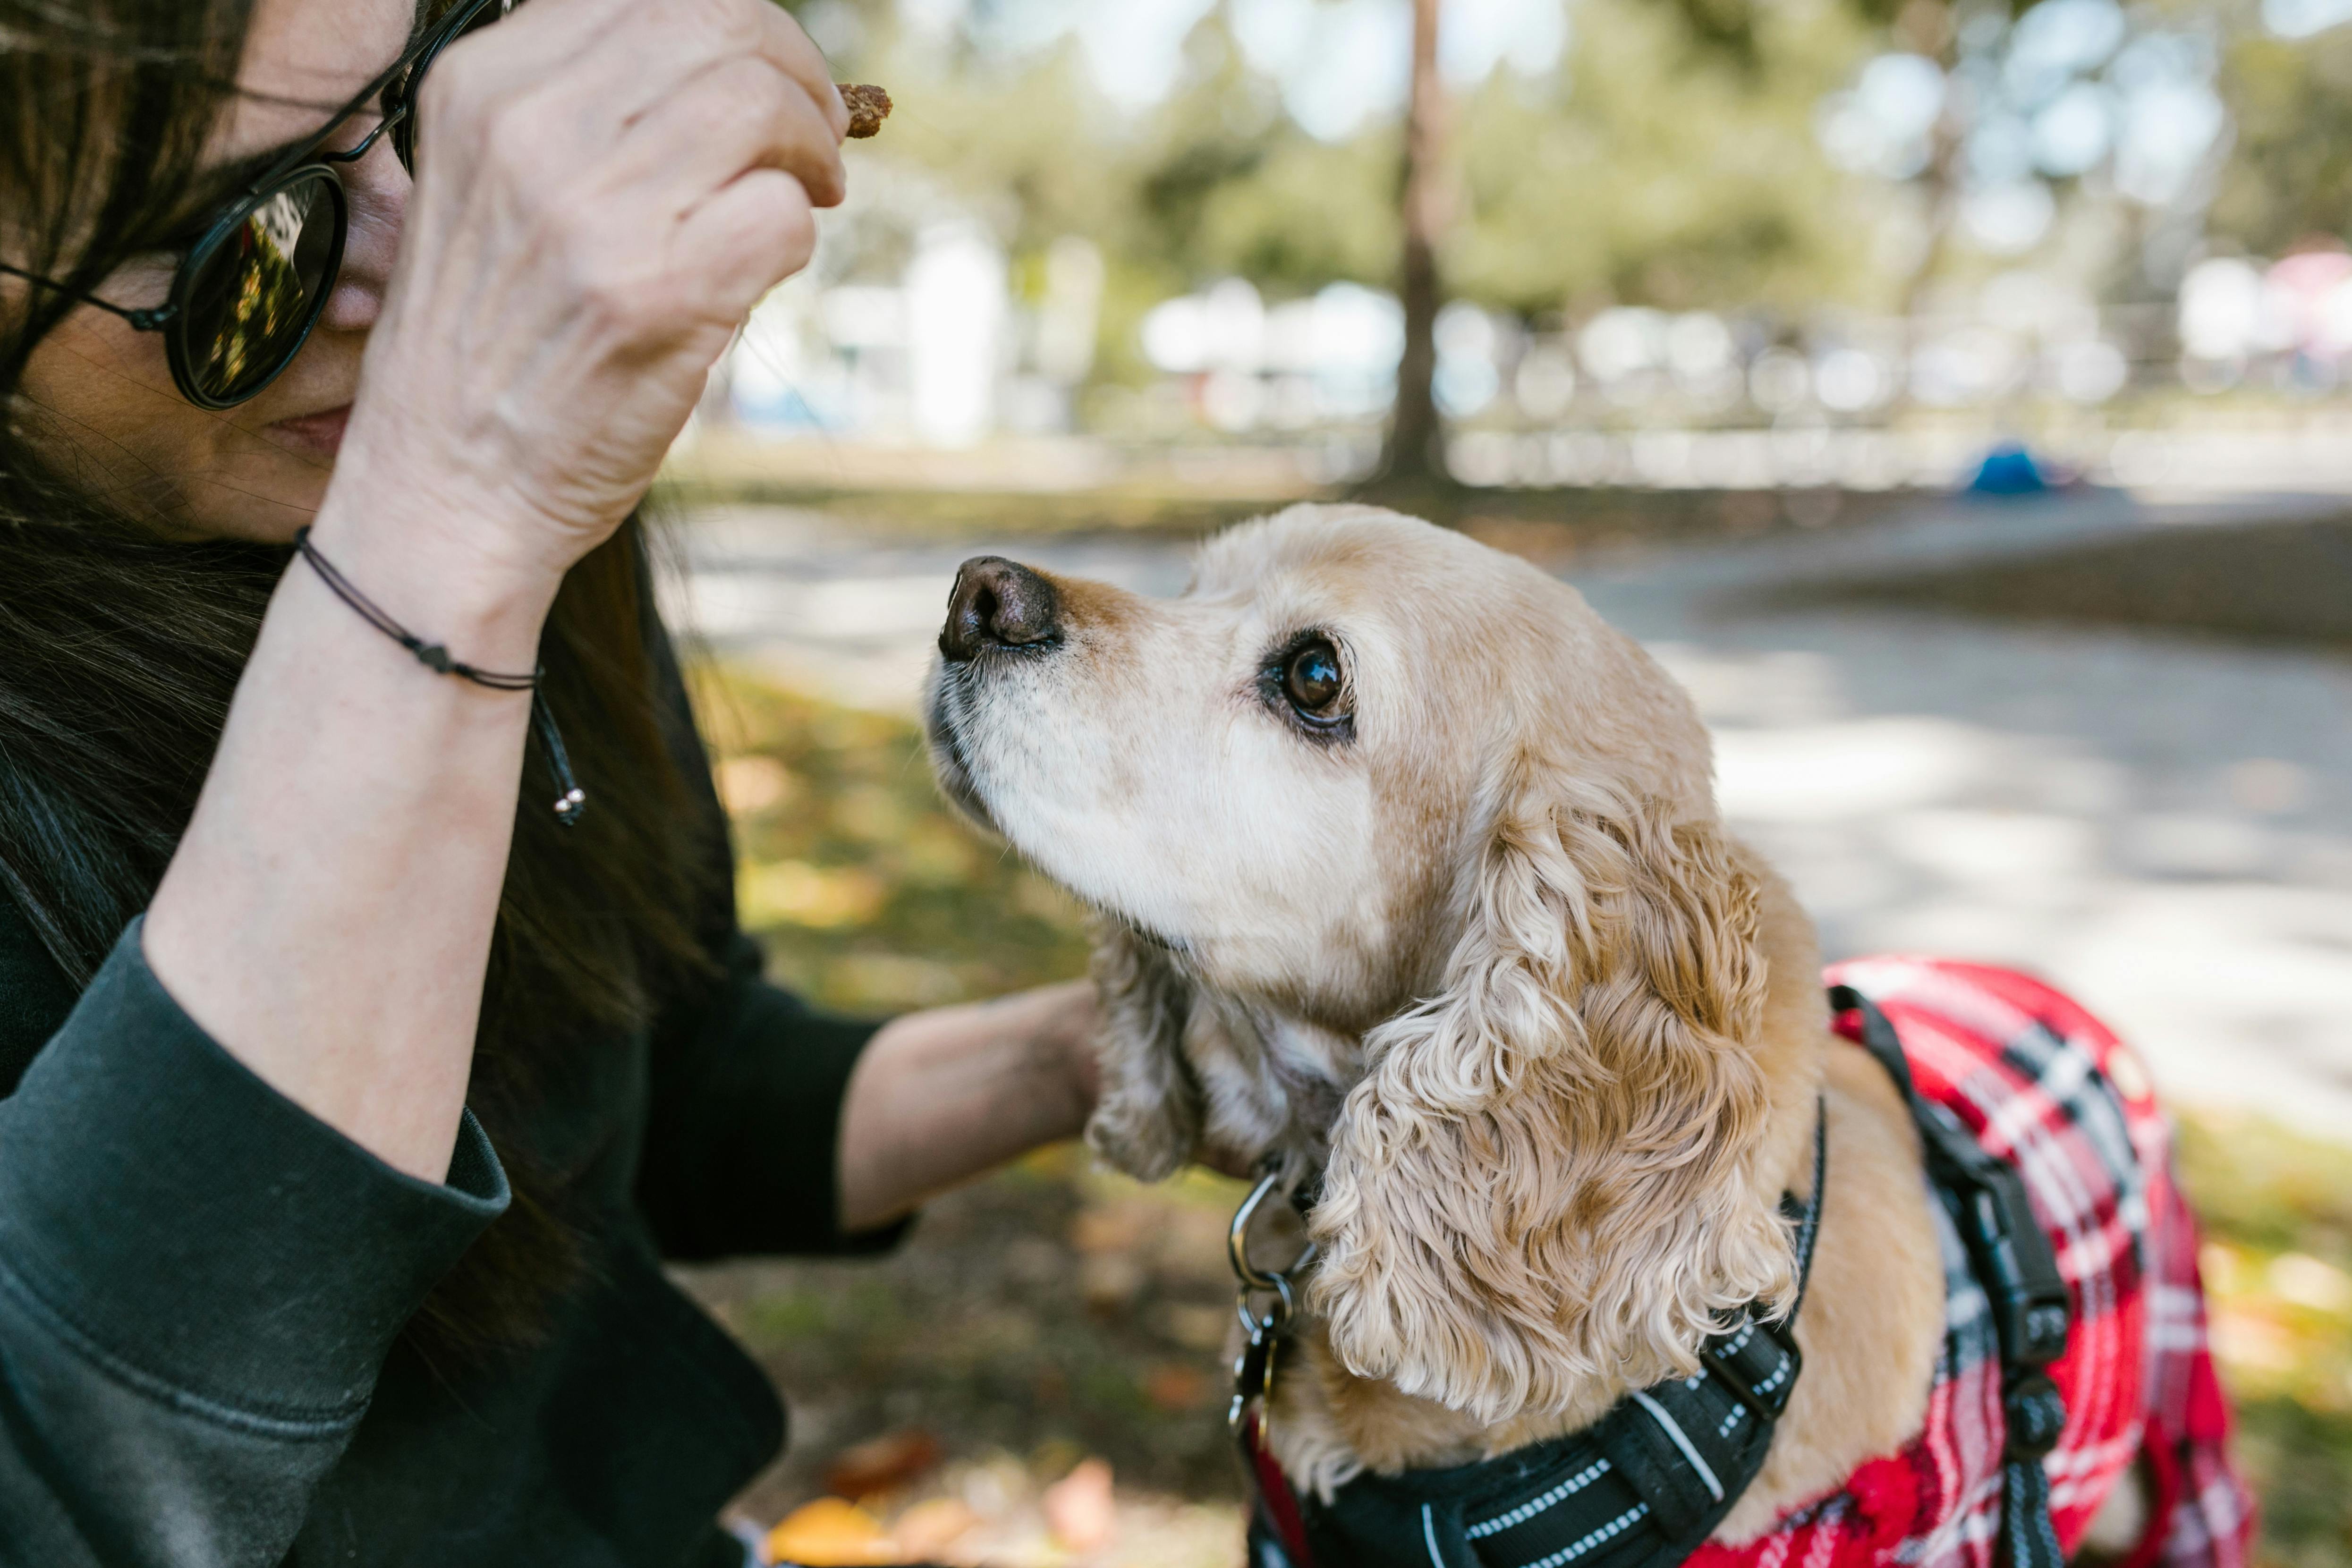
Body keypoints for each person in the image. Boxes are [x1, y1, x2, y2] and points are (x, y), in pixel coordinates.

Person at [0, 0, 1105, 1562]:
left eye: (425, 108)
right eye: (237, 236)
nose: (416, 269)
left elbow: (665, 1074)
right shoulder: (459, 495)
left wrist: (1091, 1057)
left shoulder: (495, 492)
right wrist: (445, 533)